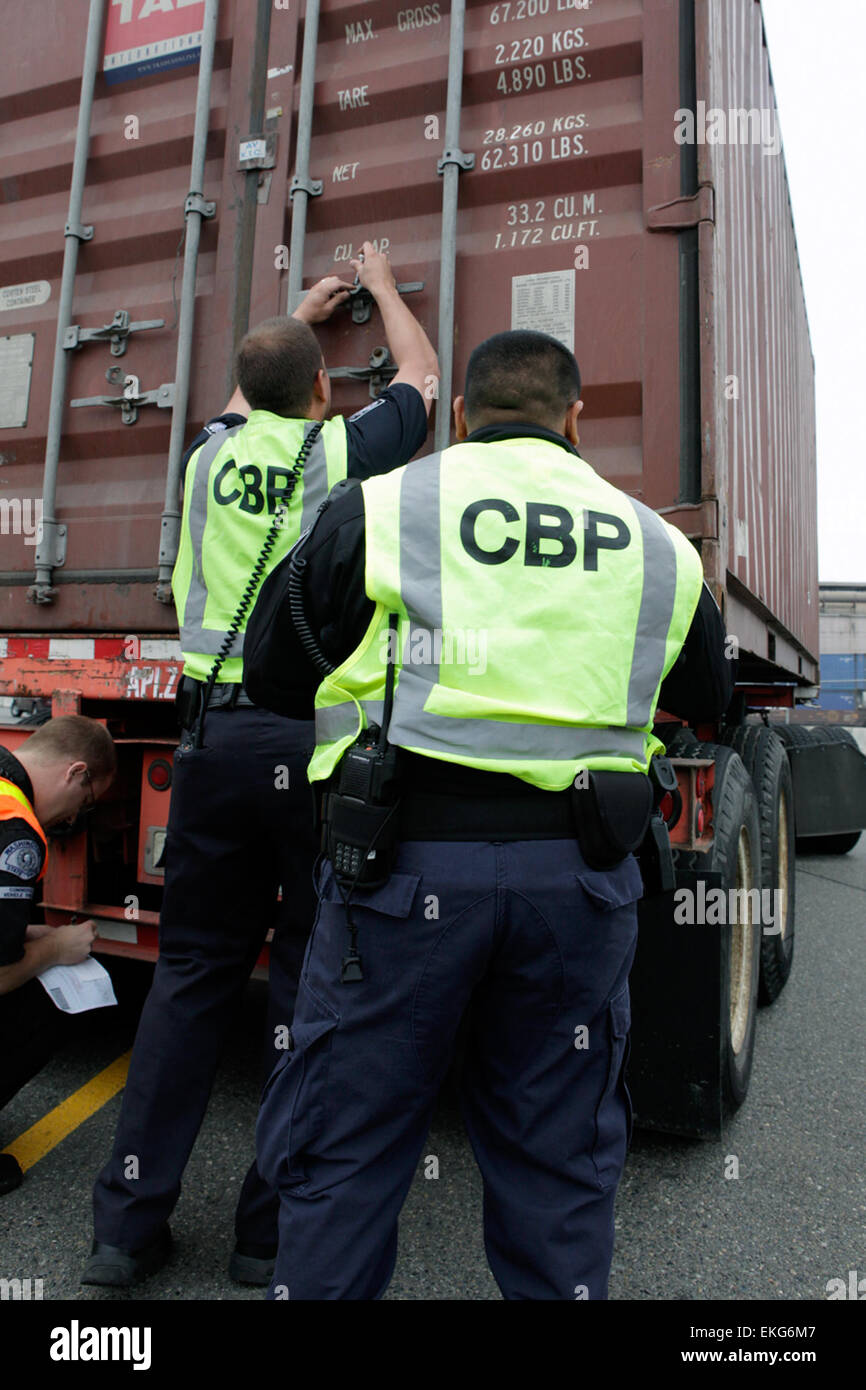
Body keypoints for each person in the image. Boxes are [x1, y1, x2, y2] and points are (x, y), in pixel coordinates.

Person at [243, 329, 735, 1300]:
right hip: (579, 886)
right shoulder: (657, 546)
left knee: (345, 1147)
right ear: (576, 419)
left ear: (460, 417)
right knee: (556, 1159)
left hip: (398, 879)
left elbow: (270, 673)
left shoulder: (383, 507)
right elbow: (709, 702)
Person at [84, 245, 439, 1288]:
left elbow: (251, 389)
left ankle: (123, 1227)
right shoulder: (333, 454)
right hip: (309, 746)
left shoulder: (205, 455)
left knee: (189, 977)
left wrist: (295, 316)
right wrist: (376, 285)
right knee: (300, 984)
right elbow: (421, 385)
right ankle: (264, 1232)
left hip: (212, 743)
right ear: (322, 391)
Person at [0, 716, 116, 1194]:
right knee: (50, 1005)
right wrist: (54, 949)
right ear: (76, 773)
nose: (71, 819)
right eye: (84, 804)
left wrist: (24, 933)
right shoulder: (16, 830)